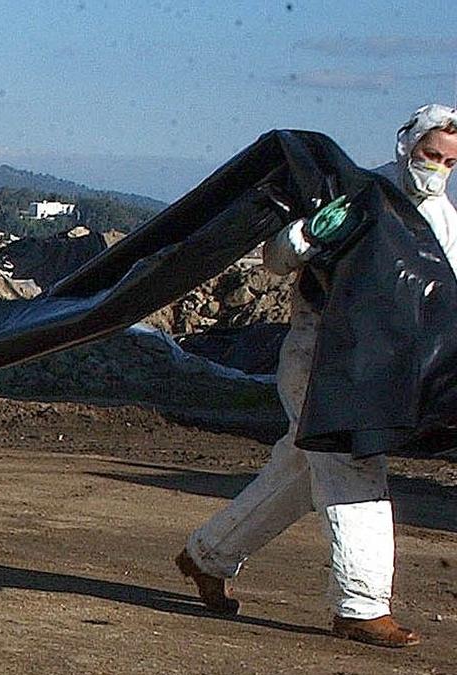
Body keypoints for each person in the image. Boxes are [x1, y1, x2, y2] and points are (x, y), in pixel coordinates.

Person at [176, 104, 457, 647]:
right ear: (408, 146)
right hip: (323, 358)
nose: (438, 168)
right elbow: (277, 259)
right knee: (355, 466)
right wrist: (308, 234)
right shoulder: (355, 193)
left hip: (382, 366)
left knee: (301, 472)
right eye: (431, 155)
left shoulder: (446, 221)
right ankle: (361, 604)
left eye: (449, 162)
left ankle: (207, 555)